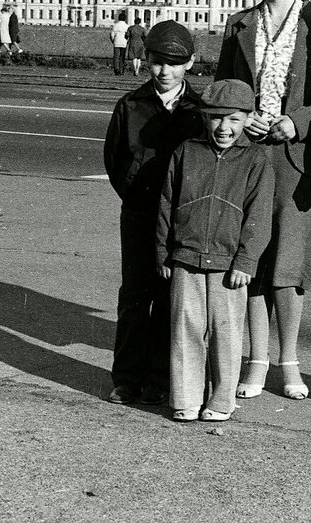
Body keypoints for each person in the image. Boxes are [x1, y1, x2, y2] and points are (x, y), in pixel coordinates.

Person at [214, 0, 311, 402]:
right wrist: (240, 116)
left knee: (289, 264)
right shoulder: (241, 24)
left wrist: (300, 121)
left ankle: (289, 363)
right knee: (250, 257)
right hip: (250, 156)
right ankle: (256, 362)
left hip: (297, 156)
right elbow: (225, 90)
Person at [157, 78, 273, 422]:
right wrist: (164, 252)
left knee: (226, 331)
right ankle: (186, 398)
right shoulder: (187, 152)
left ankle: (222, 400)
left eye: (234, 119)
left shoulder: (254, 159)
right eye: (216, 118)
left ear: (248, 119)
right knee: (185, 328)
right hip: (185, 257)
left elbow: (259, 214)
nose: (224, 127)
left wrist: (246, 260)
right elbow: (166, 203)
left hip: (228, 264)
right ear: (205, 118)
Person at [102, 20, 204, 406]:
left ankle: (160, 379)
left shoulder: (198, 111)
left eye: (174, 64)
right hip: (141, 215)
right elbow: (115, 159)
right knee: (134, 296)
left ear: (190, 64)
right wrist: (136, 195)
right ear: (146, 60)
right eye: (157, 61)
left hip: (182, 220)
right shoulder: (131, 106)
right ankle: (126, 378)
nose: (164, 71)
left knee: (169, 299)